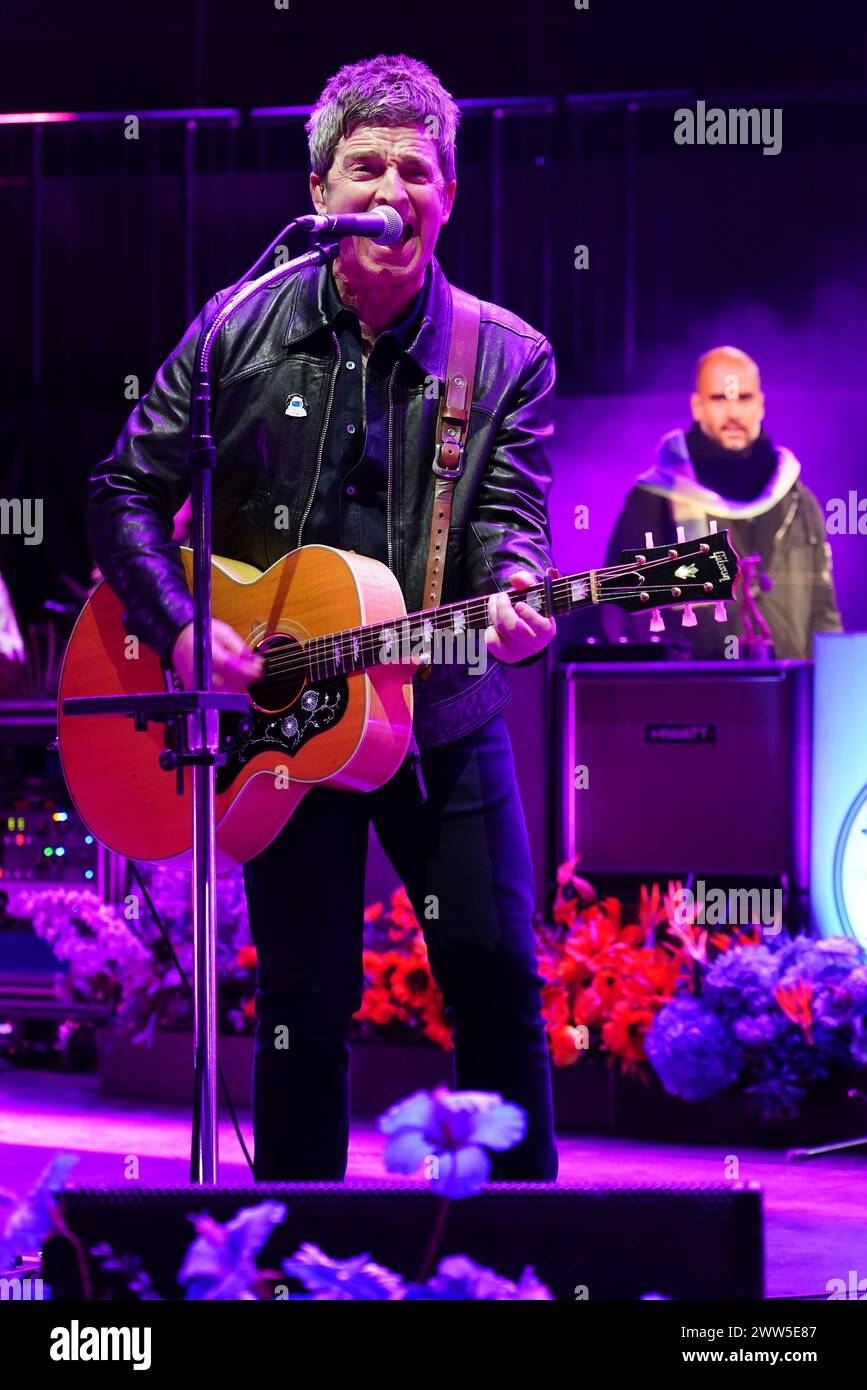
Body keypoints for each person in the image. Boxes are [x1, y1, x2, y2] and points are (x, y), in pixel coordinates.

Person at [84, 54, 560, 1182]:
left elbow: (511, 526)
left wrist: (523, 594)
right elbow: (120, 492)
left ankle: (526, 1256)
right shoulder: (234, 329)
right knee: (301, 996)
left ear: (449, 194)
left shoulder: (503, 355)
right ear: (319, 190)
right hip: (281, 724)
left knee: (492, 968)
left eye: (416, 168)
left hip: (437, 708)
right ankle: (290, 1258)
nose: (391, 188)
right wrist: (184, 624)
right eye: (366, 165)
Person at [605, 346, 842, 657]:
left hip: (789, 692)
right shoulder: (654, 499)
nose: (733, 413)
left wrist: (827, 689)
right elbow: (620, 612)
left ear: (761, 405)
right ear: (697, 406)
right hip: (693, 694)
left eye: (744, 398)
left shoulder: (798, 500)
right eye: (720, 398)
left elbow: (823, 612)